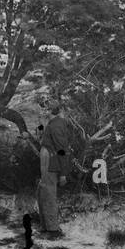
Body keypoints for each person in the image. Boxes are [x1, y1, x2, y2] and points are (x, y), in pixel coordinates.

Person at [35, 95, 83, 237]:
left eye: (43, 108)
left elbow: (62, 150)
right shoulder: (52, 123)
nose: (41, 111)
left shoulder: (56, 125)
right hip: (47, 159)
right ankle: (46, 227)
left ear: (49, 110)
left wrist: (63, 173)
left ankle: (53, 230)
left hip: (51, 161)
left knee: (48, 193)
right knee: (42, 191)